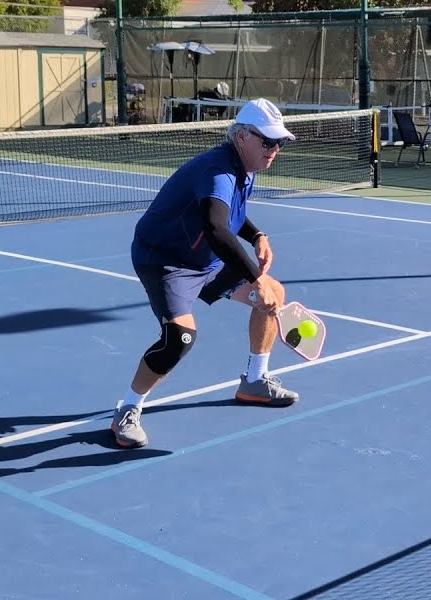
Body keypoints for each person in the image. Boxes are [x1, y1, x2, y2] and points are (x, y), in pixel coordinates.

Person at [112, 98, 299, 449]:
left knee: (273, 295)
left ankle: (254, 381)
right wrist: (256, 277)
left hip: (205, 259)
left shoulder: (245, 167)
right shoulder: (217, 170)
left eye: (279, 143)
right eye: (267, 140)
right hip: (166, 261)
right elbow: (216, 227)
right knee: (179, 338)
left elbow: (230, 215)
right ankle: (128, 408)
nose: (274, 149)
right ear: (242, 136)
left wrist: (257, 235)